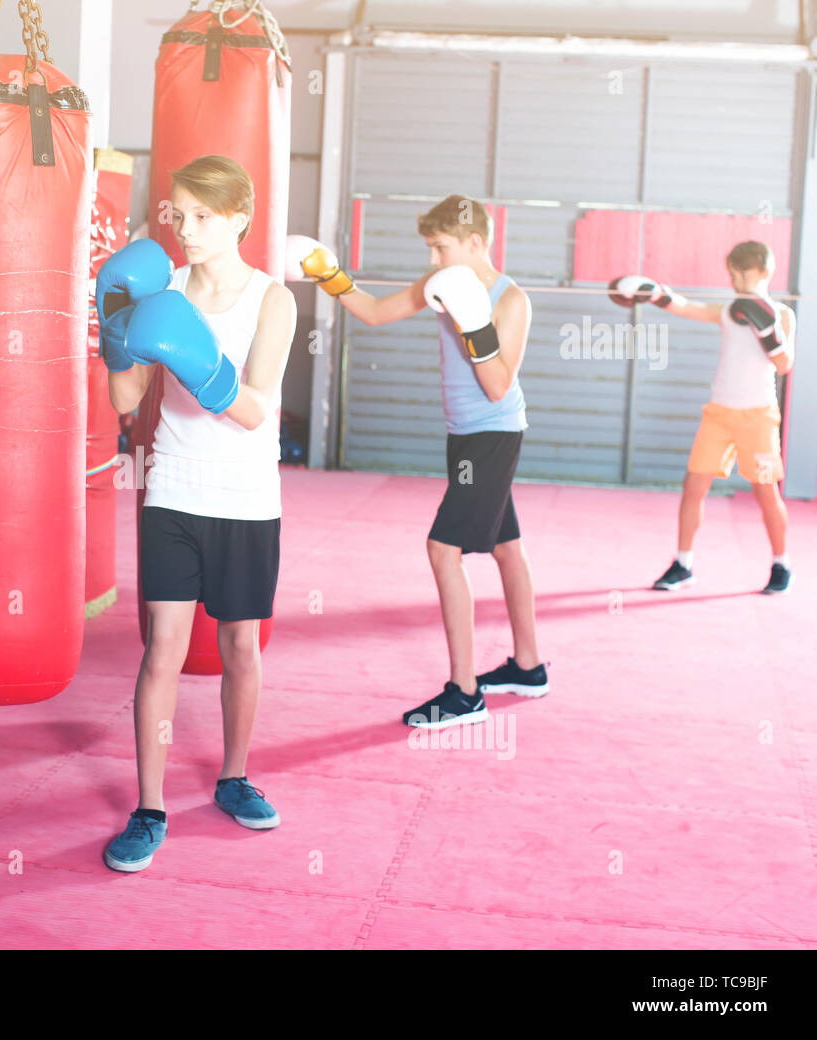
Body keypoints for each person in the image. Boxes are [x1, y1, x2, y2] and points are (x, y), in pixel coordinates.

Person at [97, 155, 295, 871]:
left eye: (203, 216)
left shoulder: (273, 300)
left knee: (242, 649)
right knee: (163, 652)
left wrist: (198, 360)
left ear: (240, 215)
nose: (187, 229)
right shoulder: (164, 288)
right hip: (174, 491)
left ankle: (234, 777)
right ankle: (148, 808)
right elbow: (125, 402)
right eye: (179, 215)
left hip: (246, 499)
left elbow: (255, 410)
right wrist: (116, 329)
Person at [294, 194, 549, 728]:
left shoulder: (511, 300)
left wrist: (470, 321)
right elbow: (373, 311)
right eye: (430, 250)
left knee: (442, 550)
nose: (433, 261)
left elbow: (499, 387)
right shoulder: (439, 288)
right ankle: (528, 667)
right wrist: (327, 274)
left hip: (494, 434)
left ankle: (464, 691)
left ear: (475, 242)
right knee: (506, 547)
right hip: (464, 436)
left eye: (441, 248)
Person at [612, 242, 795, 594]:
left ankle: (781, 564)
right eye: (733, 273)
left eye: (743, 272)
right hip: (719, 414)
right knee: (693, 487)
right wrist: (653, 292)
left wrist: (767, 332)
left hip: (758, 417)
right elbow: (688, 307)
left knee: (765, 492)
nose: (737, 279)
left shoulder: (783, 314)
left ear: (764, 272)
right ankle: (683, 563)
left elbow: (785, 364)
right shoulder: (727, 310)